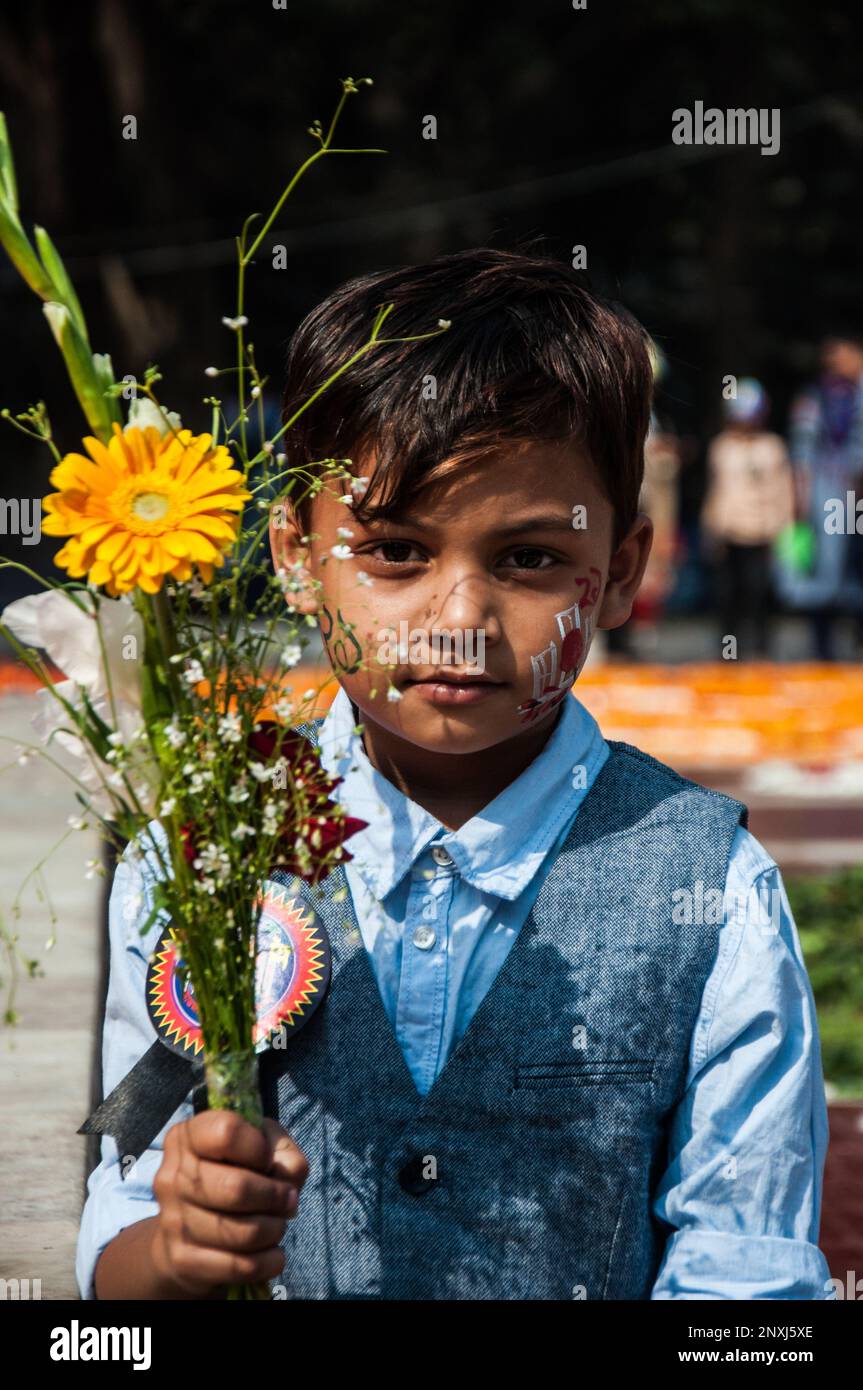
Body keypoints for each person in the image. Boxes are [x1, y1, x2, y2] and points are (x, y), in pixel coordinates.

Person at [77, 248, 832, 1300]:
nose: (459, 621)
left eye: (526, 558)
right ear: (295, 553)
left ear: (616, 572)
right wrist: (174, 1252)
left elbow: (745, 1279)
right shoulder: (197, 858)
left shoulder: (715, 890)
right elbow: (119, 1231)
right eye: (392, 550)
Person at [700, 377, 795, 658]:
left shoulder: (773, 448)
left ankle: (762, 650)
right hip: (730, 532)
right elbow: (716, 492)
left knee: (759, 593)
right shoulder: (722, 447)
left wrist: (784, 530)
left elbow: (783, 492)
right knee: (728, 596)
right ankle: (729, 653)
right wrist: (712, 530)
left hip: (761, 533)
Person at [786, 332, 863, 659]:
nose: (834, 364)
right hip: (829, 493)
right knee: (825, 568)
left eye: (841, 355)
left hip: (854, 495)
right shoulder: (815, 398)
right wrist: (801, 494)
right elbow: (802, 451)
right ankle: (824, 648)